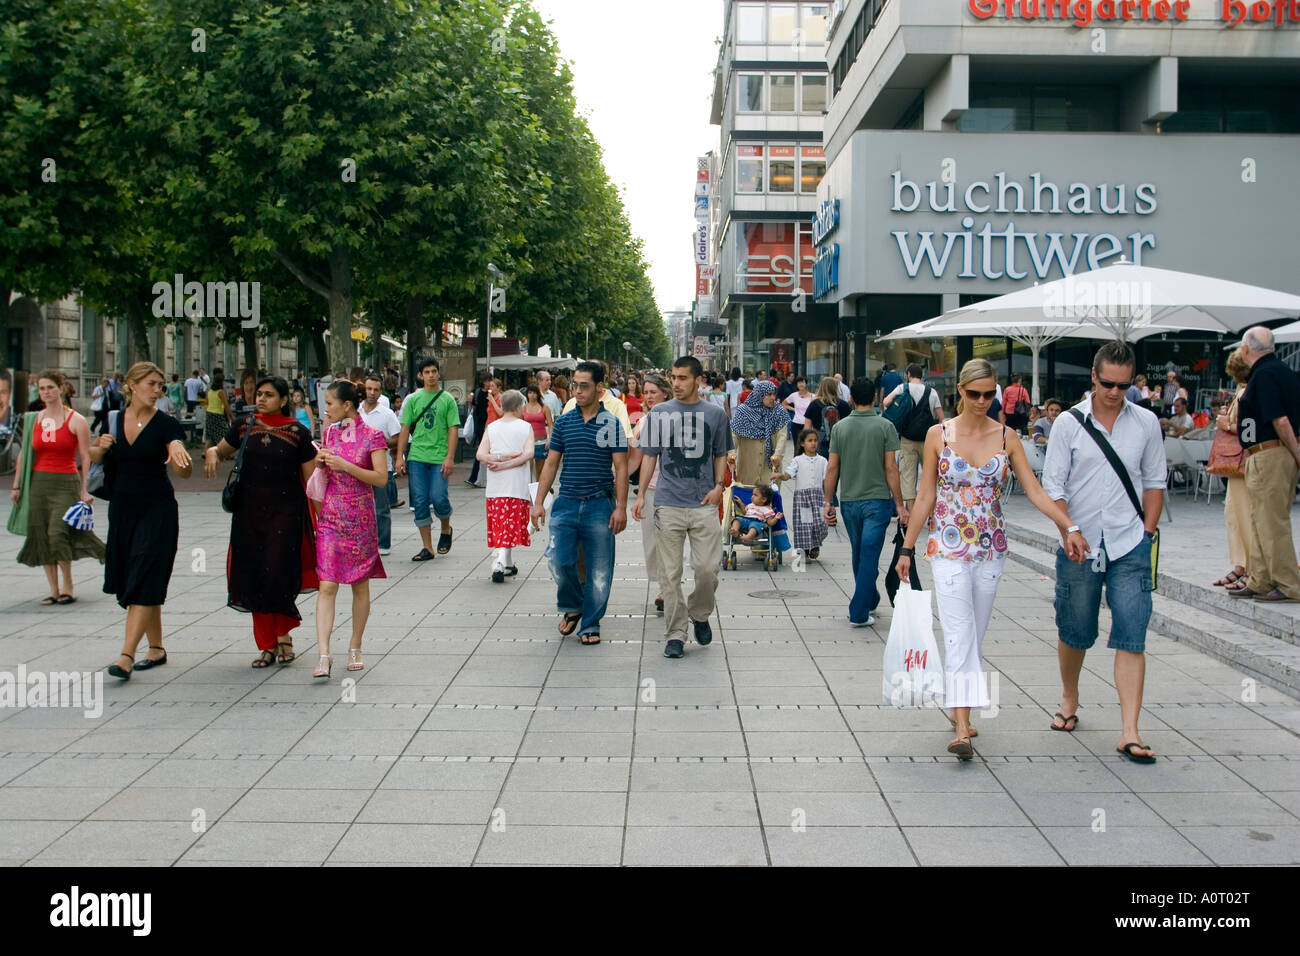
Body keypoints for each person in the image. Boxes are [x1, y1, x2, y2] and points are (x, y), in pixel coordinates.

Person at [896, 359, 1088, 759]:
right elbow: (927, 495)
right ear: (960, 392)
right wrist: (907, 547)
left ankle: (956, 704)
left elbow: (1035, 492)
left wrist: (1068, 527)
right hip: (947, 548)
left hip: (990, 549)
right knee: (959, 632)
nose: (982, 401)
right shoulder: (938, 434)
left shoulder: (1008, 436)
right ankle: (963, 727)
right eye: (974, 394)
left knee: (975, 634)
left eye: (989, 394)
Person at [1042, 340, 1165, 763]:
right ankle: (1070, 696)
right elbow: (1053, 487)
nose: (1116, 392)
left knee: (1132, 631)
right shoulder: (1069, 424)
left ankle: (1130, 730)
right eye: (1109, 383)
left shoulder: (1146, 422)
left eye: (1124, 385)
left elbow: (1154, 483)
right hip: (1081, 542)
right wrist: (1069, 528)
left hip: (1130, 542)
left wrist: (1147, 533)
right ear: (1093, 377)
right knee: (1075, 628)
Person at [205, 376, 319, 668]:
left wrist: (322, 517)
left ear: (283, 400)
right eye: (258, 394)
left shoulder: (298, 432)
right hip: (249, 515)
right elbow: (221, 449)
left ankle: (284, 637)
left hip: (286, 515)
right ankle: (266, 644)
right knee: (254, 575)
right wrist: (211, 454)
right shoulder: (244, 426)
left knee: (278, 572)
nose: (261, 398)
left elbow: (311, 481)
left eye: (269, 395)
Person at [91, 362, 194, 679]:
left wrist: (179, 451)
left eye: (160, 385)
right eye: (151, 384)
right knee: (136, 576)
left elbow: (185, 471)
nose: (157, 390)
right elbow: (94, 460)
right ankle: (157, 647)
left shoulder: (167, 425)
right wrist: (99, 447)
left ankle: (125, 655)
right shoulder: (113, 419)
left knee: (145, 573)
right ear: (132, 385)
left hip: (157, 509)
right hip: (122, 509)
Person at [632, 356, 729, 659]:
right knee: (669, 574)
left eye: (683, 378)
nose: (675, 383)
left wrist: (718, 487)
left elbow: (721, 453)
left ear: (698, 380)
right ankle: (675, 633)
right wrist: (638, 496)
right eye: (673, 377)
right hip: (668, 503)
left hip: (703, 504)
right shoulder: (659, 413)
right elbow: (649, 455)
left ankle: (699, 613)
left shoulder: (715, 414)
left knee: (706, 570)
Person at [531, 360, 629, 645]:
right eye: (575, 385)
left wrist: (621, 507)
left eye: (584, 386)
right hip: (567, 502)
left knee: (599, 569)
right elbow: (550, 464)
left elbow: (621, 468)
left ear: (600, 388)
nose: (578, 391)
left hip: (599, 504)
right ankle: (573, 605)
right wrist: (539, 502)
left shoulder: (611, 423)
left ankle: (590, 623)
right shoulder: (563, 421)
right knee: (559, 561)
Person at [311, 380, 388, 679]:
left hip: (361, 517)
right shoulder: (329, 432)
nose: (325, 409)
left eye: (329, 403)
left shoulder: (373, 435)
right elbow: (325, 472)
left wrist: (346, 466)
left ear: (346, 405)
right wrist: (321, 463)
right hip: (331, 515)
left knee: (359, 584)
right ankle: (323, 653)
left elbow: (381, 478)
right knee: (327, 584)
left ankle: (355, 644)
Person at [11, 370, 105, 604]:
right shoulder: (34, 418)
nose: (46, 392)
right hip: (38, 483)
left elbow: (85, 457)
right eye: (42, 388)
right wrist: (16, 486)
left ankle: (68, 585)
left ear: (61, 388)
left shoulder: (76, 420)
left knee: (57, 533)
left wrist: (85, 490)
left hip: (66, 482)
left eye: (51, 387)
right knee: (41, 534)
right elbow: (24, 453)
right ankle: (53, 589)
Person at [1226, 326, 1300, 603]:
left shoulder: (1266, 375)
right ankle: (1260, 578)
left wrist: (1295, 452)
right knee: (1259, 519)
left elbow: (1279, 419)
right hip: (1266, 452)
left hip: (1271, 452)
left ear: (1246, 349)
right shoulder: (1280, 372)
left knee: (1271, 522)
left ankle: (1288, 583)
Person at [822, 376, 904, 627]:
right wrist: (900, 504)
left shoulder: (840, 428)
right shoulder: (885, 426)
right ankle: (859, 611)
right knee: (867, 554)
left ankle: (868, 598)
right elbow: (891, 468)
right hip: (878, 501)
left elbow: (832, 468)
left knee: (859, 552)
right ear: (876, 398)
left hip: (850, 501)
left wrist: (828, 502)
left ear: (852, 399)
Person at [395, 357, 459, 562]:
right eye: (427, 372)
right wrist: (400, 456)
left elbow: (453, 429)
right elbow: (404, 429)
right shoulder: (413, 400)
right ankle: (427, 547)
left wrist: (450, 457)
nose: (431, 375)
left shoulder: (448, 399)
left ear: (438, 373)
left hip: (439, 456)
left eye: (434, 371)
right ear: (420, 375)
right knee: (420, 501)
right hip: (417, 457)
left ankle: (446, 528)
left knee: (439, 497)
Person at [479, 389, 535, 583]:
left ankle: (507, 562)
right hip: (517, 484)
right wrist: (510, 461)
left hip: (495, 485)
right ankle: (501, 563)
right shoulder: (525, 427)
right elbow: (528, 454)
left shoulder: (492, 427)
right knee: (509, 525)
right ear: (519, 406)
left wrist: (499, 460)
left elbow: (481, 454)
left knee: (502, 524)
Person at [628, 373, 669, 615]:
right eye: (647, 392)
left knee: (669, 540)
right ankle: (663, 583)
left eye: (654, 391)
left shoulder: (679, 416)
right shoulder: (643, 421)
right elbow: (636, 457)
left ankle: (667, 588)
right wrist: (617, 481)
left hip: (674, 490)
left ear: (665, 392)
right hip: (652, 488)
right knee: (651, 542)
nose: (649, 396)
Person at [1213, 349, 1251, 589]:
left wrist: (1226, 423)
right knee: (1233, 513)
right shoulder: (1241, 392)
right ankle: (1240, 564)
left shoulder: (1246, 392)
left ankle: (1248, 566)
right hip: (1239, 465)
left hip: (1244, 461)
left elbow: (1248, 430)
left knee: (1244, 514)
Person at [882, 363, 945, 510]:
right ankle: (931, 514)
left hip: (907, 439)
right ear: (921, 375)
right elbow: (942, 418)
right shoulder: (932, 392)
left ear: (908, 375)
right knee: (930, 476)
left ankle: (910, 512)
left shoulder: (902, 388)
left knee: (907, 476)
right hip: (928, 440)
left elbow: (886, 402)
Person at [360, 374, 402, 556]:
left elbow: (398, 438)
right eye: (369, 389)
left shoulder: (387, 414)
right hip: (359, 467)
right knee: (360, 505)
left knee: (381, 506)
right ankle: (363, 541)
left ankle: (383, 543)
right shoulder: (356, 411)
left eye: (376, 389)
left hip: (381, 467)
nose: (371, 393)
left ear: (380, 392)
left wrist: (380, 442)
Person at [775, 428, 828, 560]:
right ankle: (805, 551)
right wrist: (779, 475)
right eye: (810, 441)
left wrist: (828, 498)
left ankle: (816, 544)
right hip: (802, 497)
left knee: (820, 524)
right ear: (802, 443)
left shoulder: (823, 461)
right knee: (804, 524)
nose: (813, 443)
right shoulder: (798, 460)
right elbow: (788, 475)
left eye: (815, 440)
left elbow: (826, 480)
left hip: (818, 496)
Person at [730, 380, 790, 487]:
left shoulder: (779, 412)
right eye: (769, 394)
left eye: (774, 394)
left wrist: (777, 455)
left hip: (770, 467)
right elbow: (734, 436)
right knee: (745, 500)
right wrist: (731, 454)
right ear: (759, 394)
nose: (772, 397)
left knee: (770, 500)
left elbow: (782, 437)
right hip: (748, 465)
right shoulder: (743, 412)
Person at [806, 377, 852, 459]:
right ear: (835, 388)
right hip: (839, 443)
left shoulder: (814, 404)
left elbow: (807, 428)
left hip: (819, 442)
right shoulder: (844, 405)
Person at [466, 374, 497, 488]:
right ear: (484, 382)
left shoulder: (488, 394)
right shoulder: (480, 392)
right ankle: (475, 477)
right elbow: (473, 406)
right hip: (480, 426)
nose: (490, 383)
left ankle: (475, 477)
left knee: (481, 452)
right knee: (481, 452)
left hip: (486, 425)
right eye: (489, 381)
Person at [521, 384, 553, 481]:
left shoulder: (544, 408)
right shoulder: (523, 409)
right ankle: (529, 492)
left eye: (534, 393)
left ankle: (539, 490)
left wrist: (550, 439)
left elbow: (551, 425)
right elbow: (520, 426)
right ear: (527, 394)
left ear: (538, 394)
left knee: (540, 470)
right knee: (528, 470)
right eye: (530, 392)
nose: (532, 395)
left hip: (541, 441)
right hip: (528, 442)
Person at [202, 369, 234, 448]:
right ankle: (225, 453)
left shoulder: (210, 392)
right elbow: (226, 405)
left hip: (209, 415)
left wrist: (207, 411)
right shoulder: (221, 392)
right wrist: (231, 416)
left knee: (209, 437)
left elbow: (206, 403)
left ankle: (206, 453)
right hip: (218, 415)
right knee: (225, 434)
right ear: (221, 382)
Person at [782, 375, 814, 443]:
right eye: (798, 383)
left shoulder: (813, 396)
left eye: (802, 382)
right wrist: (793, 409)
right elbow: (784, 403)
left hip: (808, 425)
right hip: (796, 424)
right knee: (797, 447)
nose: (800, 384)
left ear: (806, 383)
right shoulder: (794, 395)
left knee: (806, 446)